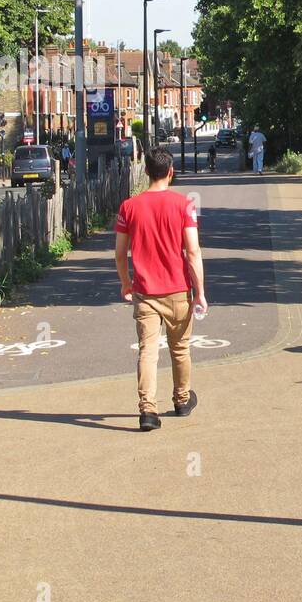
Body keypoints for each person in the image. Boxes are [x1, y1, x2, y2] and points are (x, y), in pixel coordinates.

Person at [114, 148, 206, 431]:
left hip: (145, 293)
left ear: (146, 172)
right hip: (178, 290)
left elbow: (120, 253)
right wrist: (200, 292)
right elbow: (192, 251)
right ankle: (181, 400)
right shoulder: (184, 205)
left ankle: (147, 410)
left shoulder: (129, 207)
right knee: (180, 349)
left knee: (148, 351)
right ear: (171, 172)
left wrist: (126, 282)